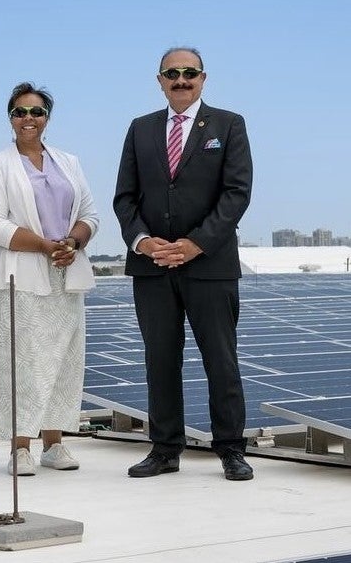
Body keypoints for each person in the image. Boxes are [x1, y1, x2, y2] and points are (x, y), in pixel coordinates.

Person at [113, 46, 253, 481]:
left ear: (203, 78)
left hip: (209, 266)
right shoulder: (140, 130)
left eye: (189, 72)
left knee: (220, 360)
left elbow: (236, 194)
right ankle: (164, 449)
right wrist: (141, 242)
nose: (181, 79)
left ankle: (230, 448)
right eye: (171, 73)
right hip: (153, 269)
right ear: (159, 80)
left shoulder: (229, 125)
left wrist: (195, 244)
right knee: (160, 360)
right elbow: (125, 198)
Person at [0, 82, 99, 475]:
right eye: (20, 112)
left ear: (48, 117)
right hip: (20, 276)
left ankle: (54, 443)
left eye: (36, 112)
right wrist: (45, 245)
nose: (29, 119)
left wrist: (73, 243)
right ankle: (20, 447)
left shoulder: (69, 162)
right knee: (21, 362)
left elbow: (90, 214)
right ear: (10, 118)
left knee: (62, 361)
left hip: (66, 274)